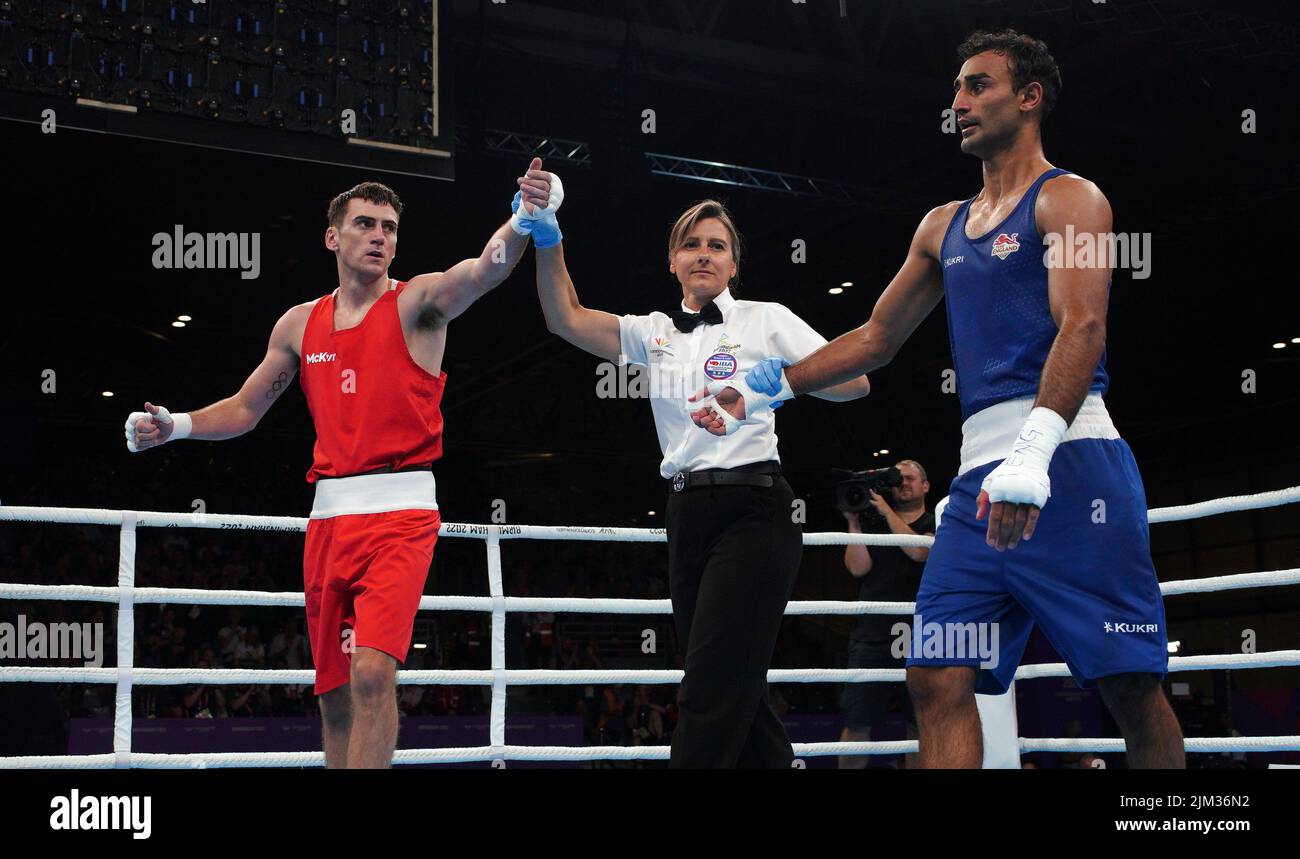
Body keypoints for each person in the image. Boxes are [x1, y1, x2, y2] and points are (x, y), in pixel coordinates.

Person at [691, 29, 1185, 768]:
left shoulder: (1074, 200)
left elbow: (1082, 325)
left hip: (1073, 468)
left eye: (977, 86)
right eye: (956, 89)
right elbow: (876, 336)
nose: (958, 103)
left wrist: (1034, 453)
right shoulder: (941, 226)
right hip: (979, 492)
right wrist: (775, 384)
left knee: (1129, 687)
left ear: (1030, 96)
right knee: (935, 672)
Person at [122, 158, 556, 767]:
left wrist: (524, 218)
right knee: (332, 695)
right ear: (334, 236)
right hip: (328, 521)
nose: (381, 237)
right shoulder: (300, 325)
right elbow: (248, 407)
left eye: (390, 227)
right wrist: (177, 426)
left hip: (402, 514)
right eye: (366, 224)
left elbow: (484, 271)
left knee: (374, 675)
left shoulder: (418, 305)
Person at [527, 180, 871, 767]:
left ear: (734, 263)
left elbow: (854, 383)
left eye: (716, 244)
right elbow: (565, 318)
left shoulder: (768, 320)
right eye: (692, 245)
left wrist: (777, 385)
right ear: (673, 260)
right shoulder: (652, 331)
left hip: (756, 511)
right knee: (731, 686)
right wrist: (548, 234)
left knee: (708, 688)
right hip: (685, 513)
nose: (704, 253)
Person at [839, 460, 933, 769]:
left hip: (919, 636)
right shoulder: (872, 522)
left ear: (925, 486)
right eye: (897, 478)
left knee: (918, 725)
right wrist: (854, 522)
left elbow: (919, 552)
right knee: (857, 723)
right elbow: (856, 568)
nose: (903, 483)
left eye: (910, 478)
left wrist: (883, 509)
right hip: (872, 634)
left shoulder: (937, 521)